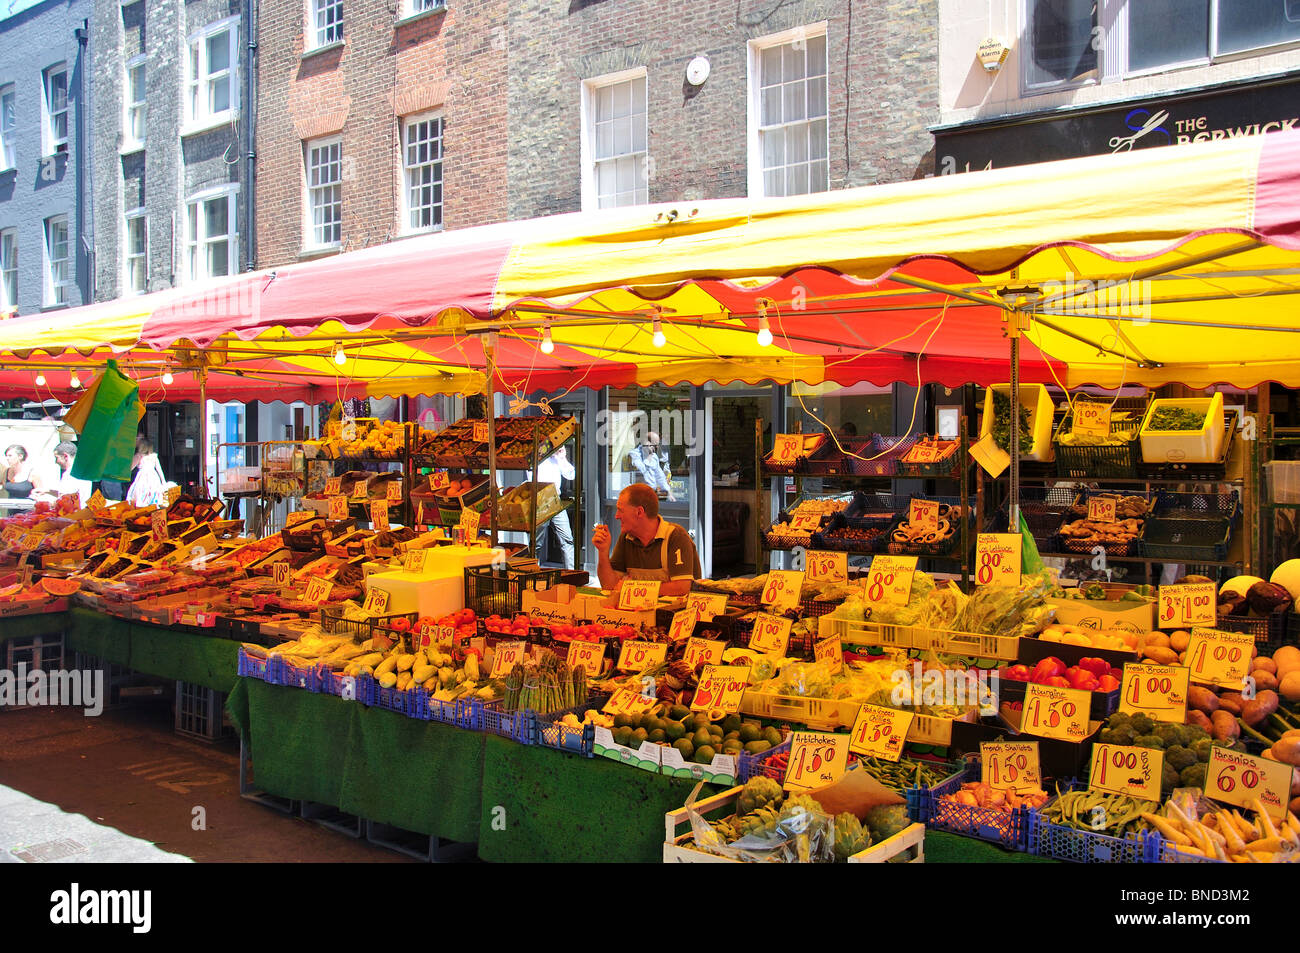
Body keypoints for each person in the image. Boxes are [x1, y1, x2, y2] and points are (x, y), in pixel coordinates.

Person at [593, 482, 701, 599]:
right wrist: (603, 552)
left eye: (621, 510)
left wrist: (633, 588)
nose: (616, 516)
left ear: (639, 512)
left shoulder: (675, 537)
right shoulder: (626, 538)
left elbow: (682, 587)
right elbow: (609, 586)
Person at [535, 444, 575, 570]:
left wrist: (562, 458)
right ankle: (532, 573)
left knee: (567, 539)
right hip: (540, 501)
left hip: (556, 501)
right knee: (536, 542)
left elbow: (571, 475)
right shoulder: (537, 456)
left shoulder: (556, 457)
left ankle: (571, 574)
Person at [39, 441, 94, 507]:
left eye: (57, 457)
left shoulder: (70, 475)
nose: (56, 462)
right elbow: (65, 494)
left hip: (71, 515)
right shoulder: (81, 471)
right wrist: (47, 491)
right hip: (81, 513)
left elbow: (65, 500)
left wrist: (45, 504)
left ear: (65, 456)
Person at [627, 431, 675, 501]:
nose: (657, 447)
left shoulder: (654, 457)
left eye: (658, 445)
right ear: (647, 443)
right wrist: (646, 453)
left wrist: (668, 491)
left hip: (651, 494)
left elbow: (660, 475)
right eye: (655, 445)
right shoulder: (634, 454)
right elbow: (642, 471)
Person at [126, 437, 168, 507]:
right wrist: (163, 481)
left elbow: (130, 468)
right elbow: (159, 470)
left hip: (142, 478)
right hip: (154, 478)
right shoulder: (154, 456)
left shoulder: (139, 456)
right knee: (153, 495)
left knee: (141, 494)